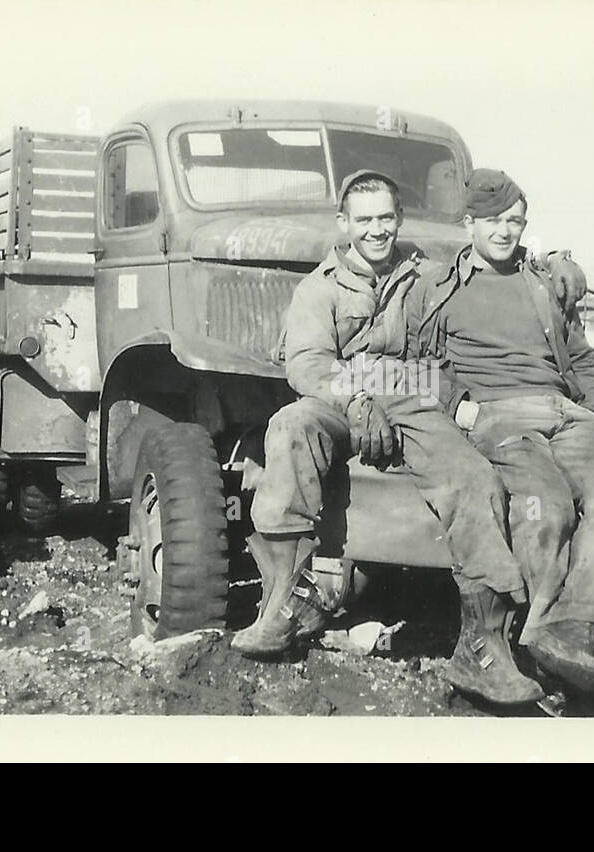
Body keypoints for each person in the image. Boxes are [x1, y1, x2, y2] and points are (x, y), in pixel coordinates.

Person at [236, 169, 544, 705]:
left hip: (415, 399)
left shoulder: (425, 276)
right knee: (289, 427)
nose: (376, 230)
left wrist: (551, 268)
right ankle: (283, 603)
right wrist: (356, 402)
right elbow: (309, 363)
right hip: (339, 400)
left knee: (474, 480)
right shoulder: (320, 287)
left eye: (385, 218)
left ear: (398, 220)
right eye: (364, 220)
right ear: (344, 223)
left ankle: (483, 648)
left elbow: (481, 286)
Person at [409, 168, 594, 694]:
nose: (505, 231)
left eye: (515, 221)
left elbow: (580, 356)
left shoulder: (542, 284)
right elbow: (418, 361)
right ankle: (537, 634)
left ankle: (572, 631)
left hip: (567, 413)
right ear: (469, 224)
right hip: (501, 414)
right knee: (545, 504)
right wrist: (459, 405)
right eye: (493, 221)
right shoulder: (438, 289)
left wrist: (593, 406)